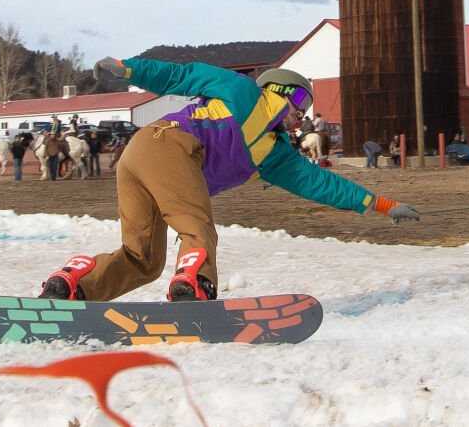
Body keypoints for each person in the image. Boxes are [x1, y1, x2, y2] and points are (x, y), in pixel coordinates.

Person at [38, 59, 420, 303]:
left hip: (138, 158)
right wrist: (129, 70)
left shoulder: (274, 154)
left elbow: (323, 184)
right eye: (299, 105)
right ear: (283, 92)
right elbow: (179, 75)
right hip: (168, 146)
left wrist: (382, 205)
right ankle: (194, 289)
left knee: (143, 259)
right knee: (198, 231)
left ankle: (73, 285)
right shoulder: (241, 90)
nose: (300, 117)